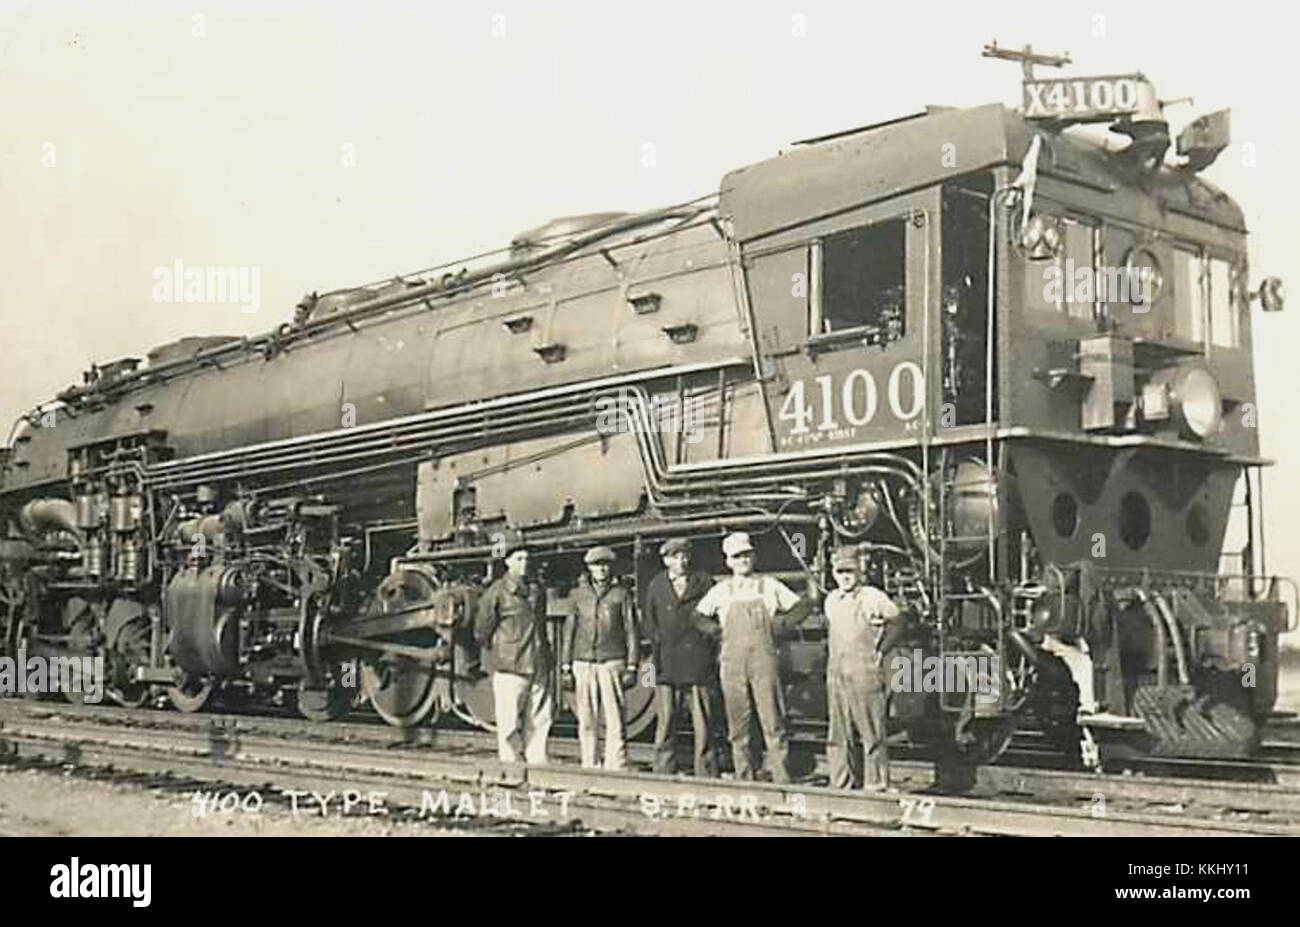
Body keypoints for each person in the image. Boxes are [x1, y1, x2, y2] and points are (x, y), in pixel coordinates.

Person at [695, 532, 808, 783]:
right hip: (732, 663)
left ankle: (782, 779)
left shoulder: (770, 585)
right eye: (737, 557)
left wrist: (782, 624)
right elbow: (698, 616)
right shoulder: (722, 590)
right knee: (738, 725)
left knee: (773, 721)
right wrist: (715, 631)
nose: (742, 560)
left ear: (753, 556)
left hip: (763, 660)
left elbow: (803, 606)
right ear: (728, 562)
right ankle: (744, 777)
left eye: (746, 555)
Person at [823, 546, 903, 791]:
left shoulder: (873, 597)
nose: (845, 576)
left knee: (872, 733)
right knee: (838, 734)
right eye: (840, 572)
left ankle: (876, 786)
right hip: (836, 674)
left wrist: (881, 650)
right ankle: (841, 785)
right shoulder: (832, 600)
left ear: (859, 572)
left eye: (850, 571)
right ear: (834, 574)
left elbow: (898, 622)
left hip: (865, 671)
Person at [643, 538, 723, 777]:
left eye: (685, 556)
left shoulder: (704, 581)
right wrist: (652, 665)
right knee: (665, 720)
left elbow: (715, 617)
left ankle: (706, 770)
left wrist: (711, 648)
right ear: (666, 560)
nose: (682, 561)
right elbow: (649, 623)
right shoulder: (656, 585)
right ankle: (663, 769)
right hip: (667, 659)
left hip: (698, 658)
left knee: (703, 721)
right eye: (676, 557)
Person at [474, 543, 553, 765]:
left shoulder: (537, 589)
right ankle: (510, 764)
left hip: (536, 659)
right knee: (509, 722)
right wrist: (500, 651)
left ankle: (537, 763)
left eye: (526, 558)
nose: (524, 563)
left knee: (540, 718)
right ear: (508, 562)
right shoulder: (497, 592)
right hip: (511, 663)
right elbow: (482, 628)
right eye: (519, 559)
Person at [563, 545, 638, 770]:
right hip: (583, 660)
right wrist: (566, 665)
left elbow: (631, 630)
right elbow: (569, 631)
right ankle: (590, 763)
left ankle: (616, 764)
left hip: (611, 660)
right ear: (589, 568)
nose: (601, 569)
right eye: (597, 565)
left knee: (615, 717)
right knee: (586, 717)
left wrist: (633, 665)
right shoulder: (577, 596)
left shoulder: (621, 595)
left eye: (605, 565)